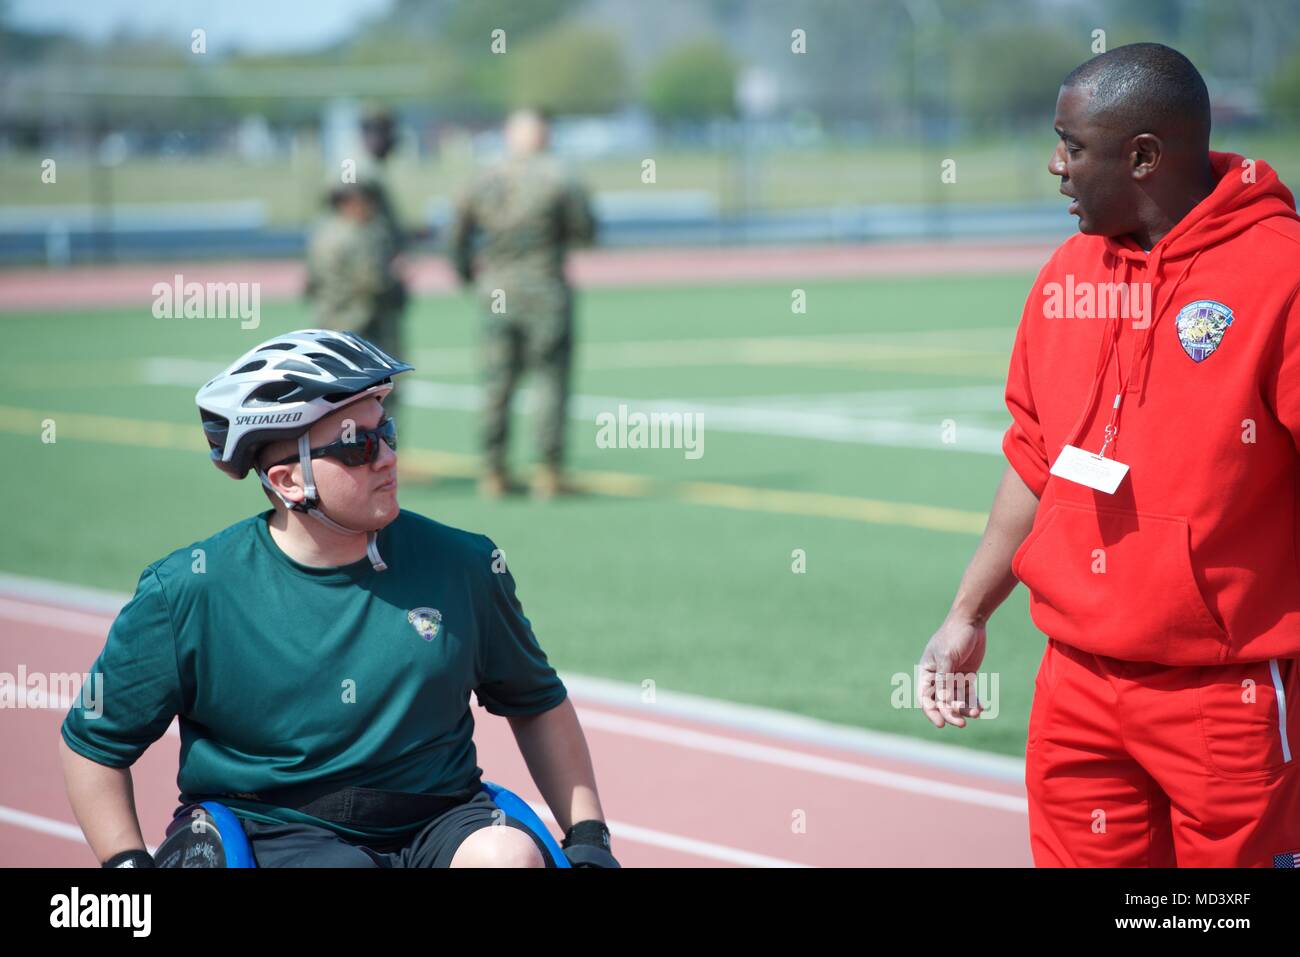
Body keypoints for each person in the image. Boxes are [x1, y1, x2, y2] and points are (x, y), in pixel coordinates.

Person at [918, 43, 1300, 867]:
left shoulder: (1282, 274)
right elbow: (1036, 459)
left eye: (1072, 145)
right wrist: (967, 612)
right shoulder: (1067, 273)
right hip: (1075, 687)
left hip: (1226, 694)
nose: (1055, 166)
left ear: (1144, 157)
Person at [59, 329, 618, 868]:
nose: (387, 457)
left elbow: (536, 702)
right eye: (357, 445)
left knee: (507, 857)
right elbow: (94, 745)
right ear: (288, 481)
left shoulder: (465, 564)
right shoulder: (189, 590)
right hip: (272, 830)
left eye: (387, 431)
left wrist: (589, 837)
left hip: (440, 817)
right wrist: (127, 866)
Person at [448, 107, 597, 500]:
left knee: (497, 380)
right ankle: (548, 471)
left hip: (497, 289)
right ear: (545, 136)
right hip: (545, 289)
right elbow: (585, 231)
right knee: (549, 378)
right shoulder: (561, 177)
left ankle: (493, 469)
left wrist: (467, 274)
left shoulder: (483, 178)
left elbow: (457, 236)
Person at [304, 181, 408, 424]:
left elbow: (310, 283)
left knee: (336, 396)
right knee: (378, 392)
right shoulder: (357, 235)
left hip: (330, 323)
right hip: (363, 324)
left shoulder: (323, 233)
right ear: (351, 203)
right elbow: (372, 281)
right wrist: (397, 282)